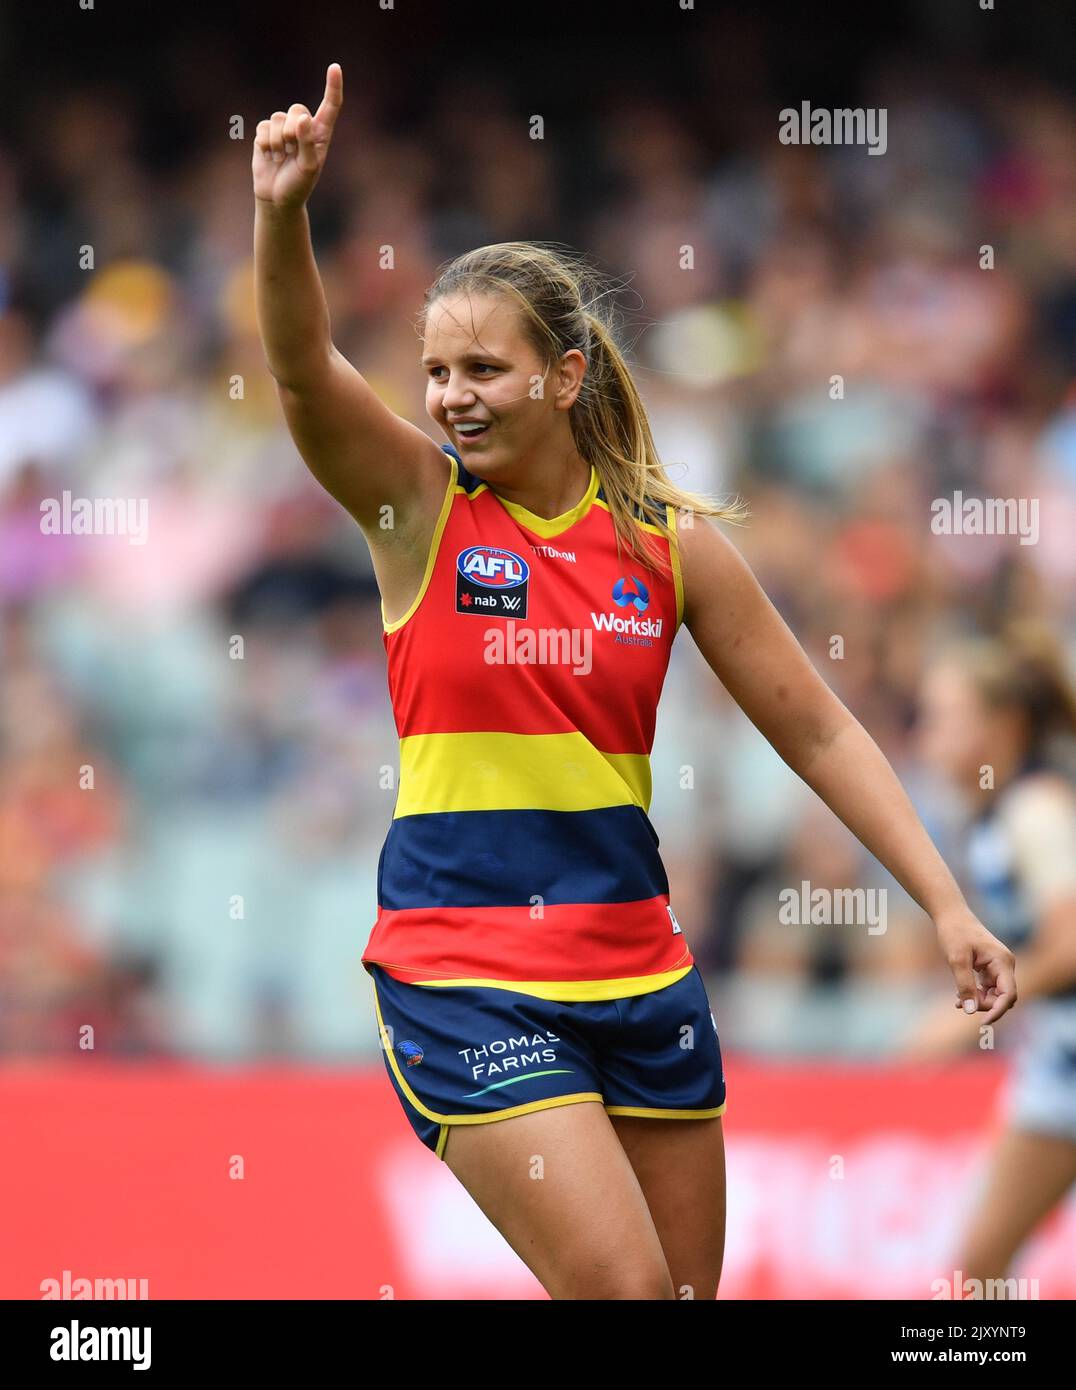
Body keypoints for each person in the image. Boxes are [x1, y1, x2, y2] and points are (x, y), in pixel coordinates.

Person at [252, 63, 1017, 1301]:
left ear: (562, 376)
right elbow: (297, 371)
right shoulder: (417, 512)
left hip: (641, 974)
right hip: (464, 974)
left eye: (482, 371)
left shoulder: (665, 543)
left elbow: (818, 731)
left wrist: (942, 902)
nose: (449, 398)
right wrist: (282, 213)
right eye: (437, 372)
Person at [905, 625, 1076, 1295]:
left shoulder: (1034, 810)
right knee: (981, 1264)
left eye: (944, 716)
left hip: (1063, 1070)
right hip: (1058, 1068)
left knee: (980, 1267)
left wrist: (961, 1020)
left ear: (1001, 723)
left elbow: (1069, 944)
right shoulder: (987, 815)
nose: (928, 735)